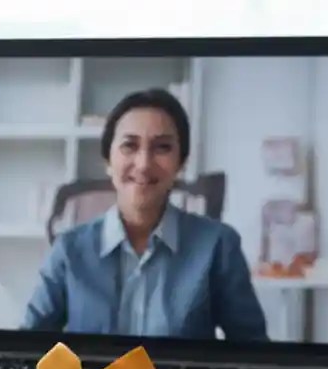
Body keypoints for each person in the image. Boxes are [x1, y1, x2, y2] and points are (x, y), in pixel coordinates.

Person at [21, 88, 268, 341]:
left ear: (180, 163)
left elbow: (253, 355)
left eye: (162, 147)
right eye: (129, 145)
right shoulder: (69, 250)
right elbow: (25, 348)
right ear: (108, 160)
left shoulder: (218, 245)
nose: (143, 163)